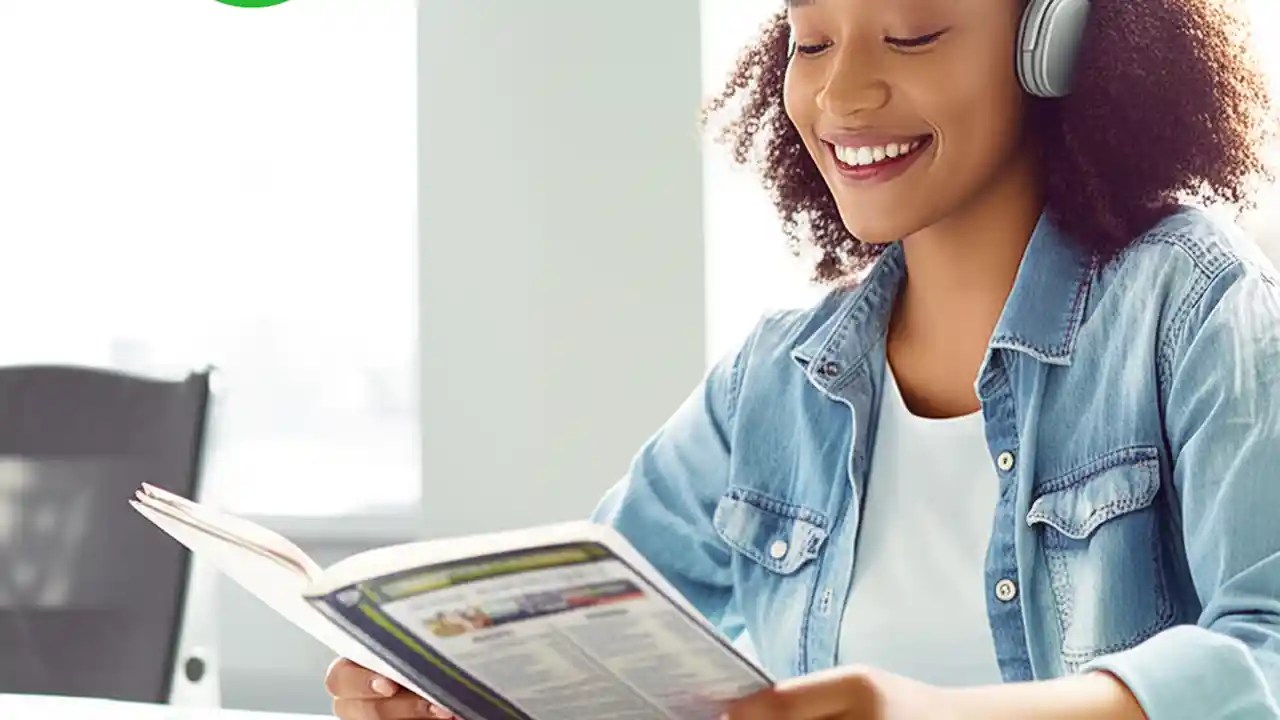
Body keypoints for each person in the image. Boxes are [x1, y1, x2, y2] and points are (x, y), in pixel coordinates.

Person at [325, 0, 1280, 717]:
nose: (841, 93)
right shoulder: (774, 384)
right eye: (811, 41)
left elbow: (1265, 657)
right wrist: (453, 690)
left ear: (1052, 42)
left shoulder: (1194, 306)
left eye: (910, 36)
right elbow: (588, 635)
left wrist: (933, 714)